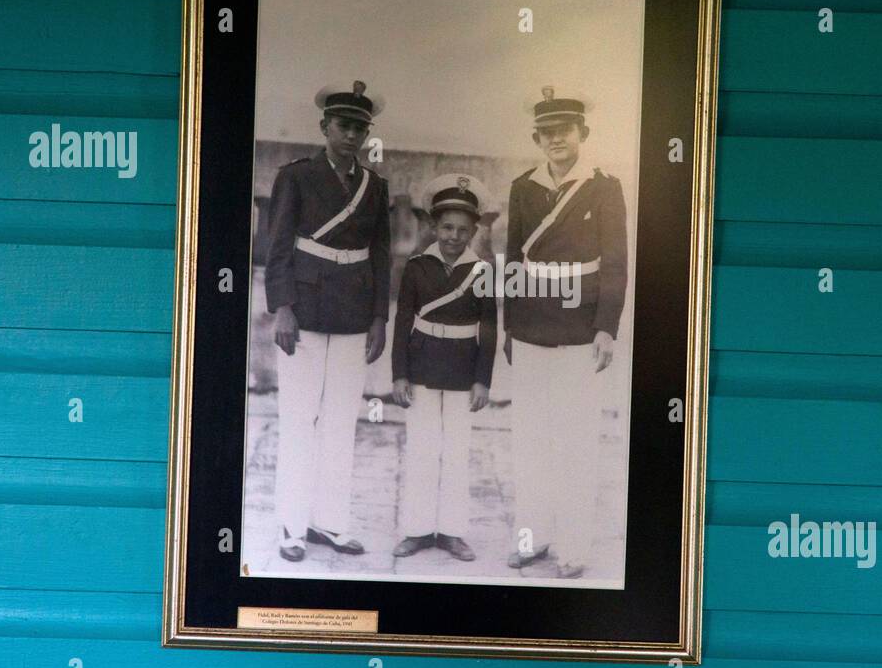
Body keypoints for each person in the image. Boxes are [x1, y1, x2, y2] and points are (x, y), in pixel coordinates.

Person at [503, 88, 628, 579]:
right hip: (531, 324)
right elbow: (513, 258)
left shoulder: (604, 187)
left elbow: (615, 263)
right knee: (530, 438)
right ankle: (533, 538)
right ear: (537, 138)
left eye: (565, 130)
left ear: (583, 134)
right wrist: (511, 325)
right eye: (547, 132)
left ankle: (574, 546)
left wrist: (606, 328)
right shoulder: (522, 187)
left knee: (576, 440)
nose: (556, 138)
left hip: (580, 330)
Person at [264, 80, 390, 562]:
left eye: (361, 127)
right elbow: (277, 248)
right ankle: (291, 527)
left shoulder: (375, 187)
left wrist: (380, 316)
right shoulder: (296, 177)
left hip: (355, 315)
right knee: (298, 421)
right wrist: (283, 307)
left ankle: (330, 523)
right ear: (324, 127)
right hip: (306, 312)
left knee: (341, 423)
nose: (352, 134)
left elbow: (380, 254)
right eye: (344, 125)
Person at [391, 174, 497, 562]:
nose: (454, 236)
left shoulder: (483, 270)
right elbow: (403, 320)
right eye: (447, 227)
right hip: (420, 369)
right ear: (433, 226)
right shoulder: (417, 267)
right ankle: (417, 530)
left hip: (461, 372)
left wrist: (482, 380)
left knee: (455, 451)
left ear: (473, 231)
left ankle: (452, 532)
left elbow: (489, 327)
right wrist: (399, 373)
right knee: (421, 449)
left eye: (463, 230)